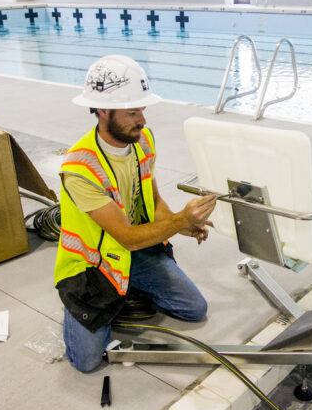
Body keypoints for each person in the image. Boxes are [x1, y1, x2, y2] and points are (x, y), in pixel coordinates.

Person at [55, 54, 218, 372]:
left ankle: (126, 287)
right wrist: (180, 220)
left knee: (194, 309)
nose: (141, 119)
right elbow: (126, 238)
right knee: (87, 362)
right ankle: (81, 306)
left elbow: (153, 201)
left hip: (134, 253)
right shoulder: (79, 169)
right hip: (93, 267)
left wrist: (181, 226)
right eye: (132, 112)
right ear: (103, 110)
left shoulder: (143, 141)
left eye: (142, 109)